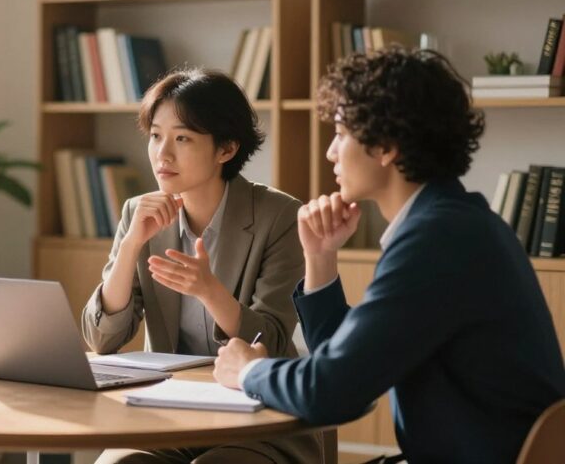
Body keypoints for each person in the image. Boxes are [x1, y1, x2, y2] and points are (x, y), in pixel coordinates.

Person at [214, 48, 565, 463]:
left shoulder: (437, 240)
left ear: (386, 147)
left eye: (342, 133)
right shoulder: (458, 222)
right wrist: (320, 258)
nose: (331, 152)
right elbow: (348, 363)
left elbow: (330, 393)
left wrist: (248, 371)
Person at [81, 68, 321, 464]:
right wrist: (130, 246)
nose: (163, 153)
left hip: (258, 419)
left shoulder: (279, 217)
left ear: (226, 149)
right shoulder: (137, 213)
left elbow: (274, 343)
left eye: (182, 139)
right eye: (156, 136)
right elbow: (101, 340)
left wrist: (209, 291)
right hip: (167, 417)